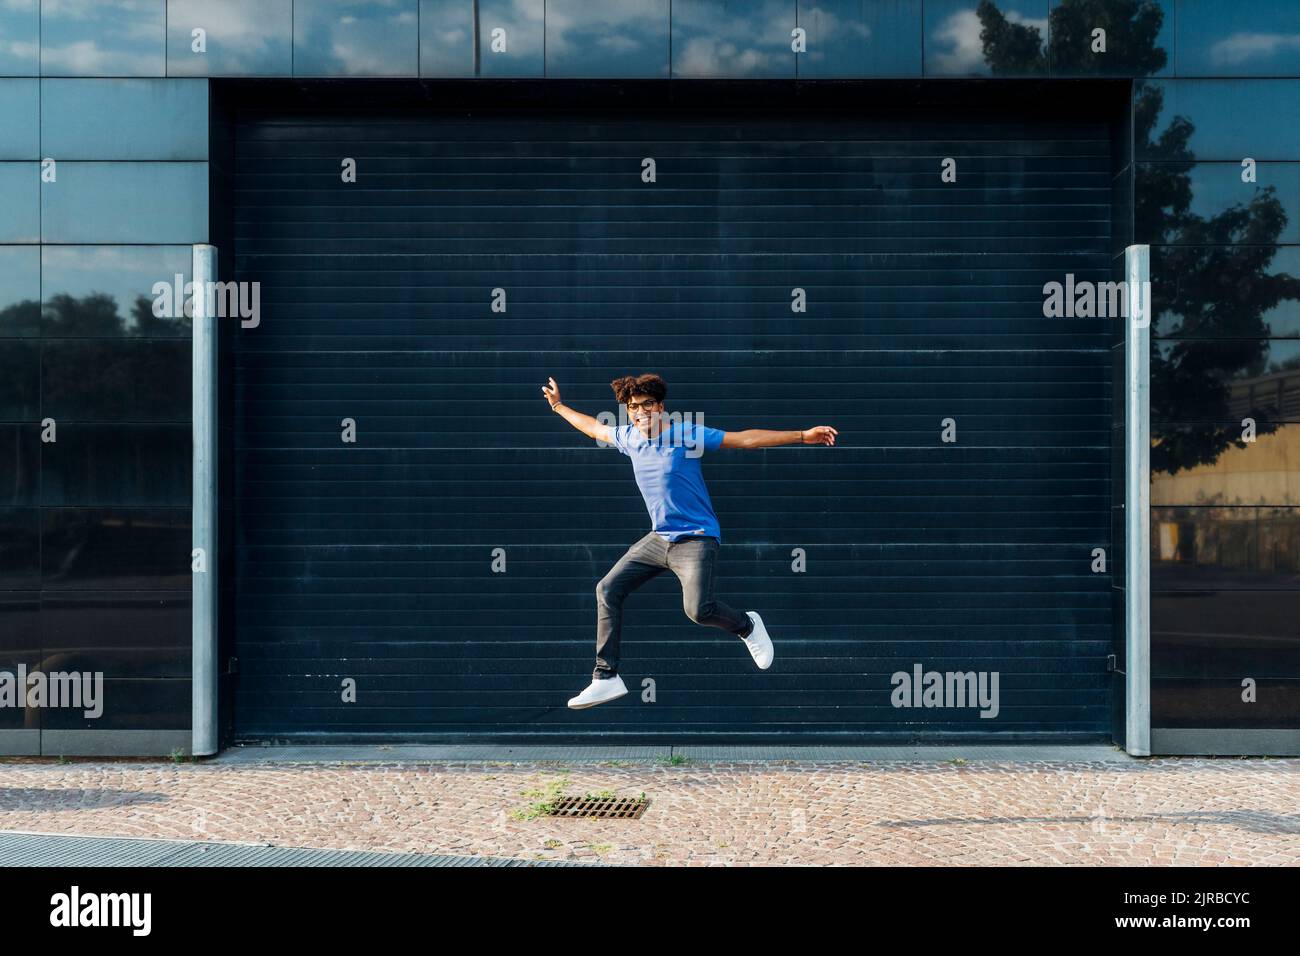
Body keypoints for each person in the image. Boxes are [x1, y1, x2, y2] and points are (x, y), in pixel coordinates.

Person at [542, 373, 838, 709]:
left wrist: (802, 435)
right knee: (607, 588)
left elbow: (743, 440)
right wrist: (559, 406)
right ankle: (606, 677)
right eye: (633, 407)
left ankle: (747, 625)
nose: (640, 412)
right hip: (658, 540)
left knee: (698, 610)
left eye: (646, 405)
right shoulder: (628, 437)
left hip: (696, 539)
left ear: (660, 407)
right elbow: (594, 427)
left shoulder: (686, 434)